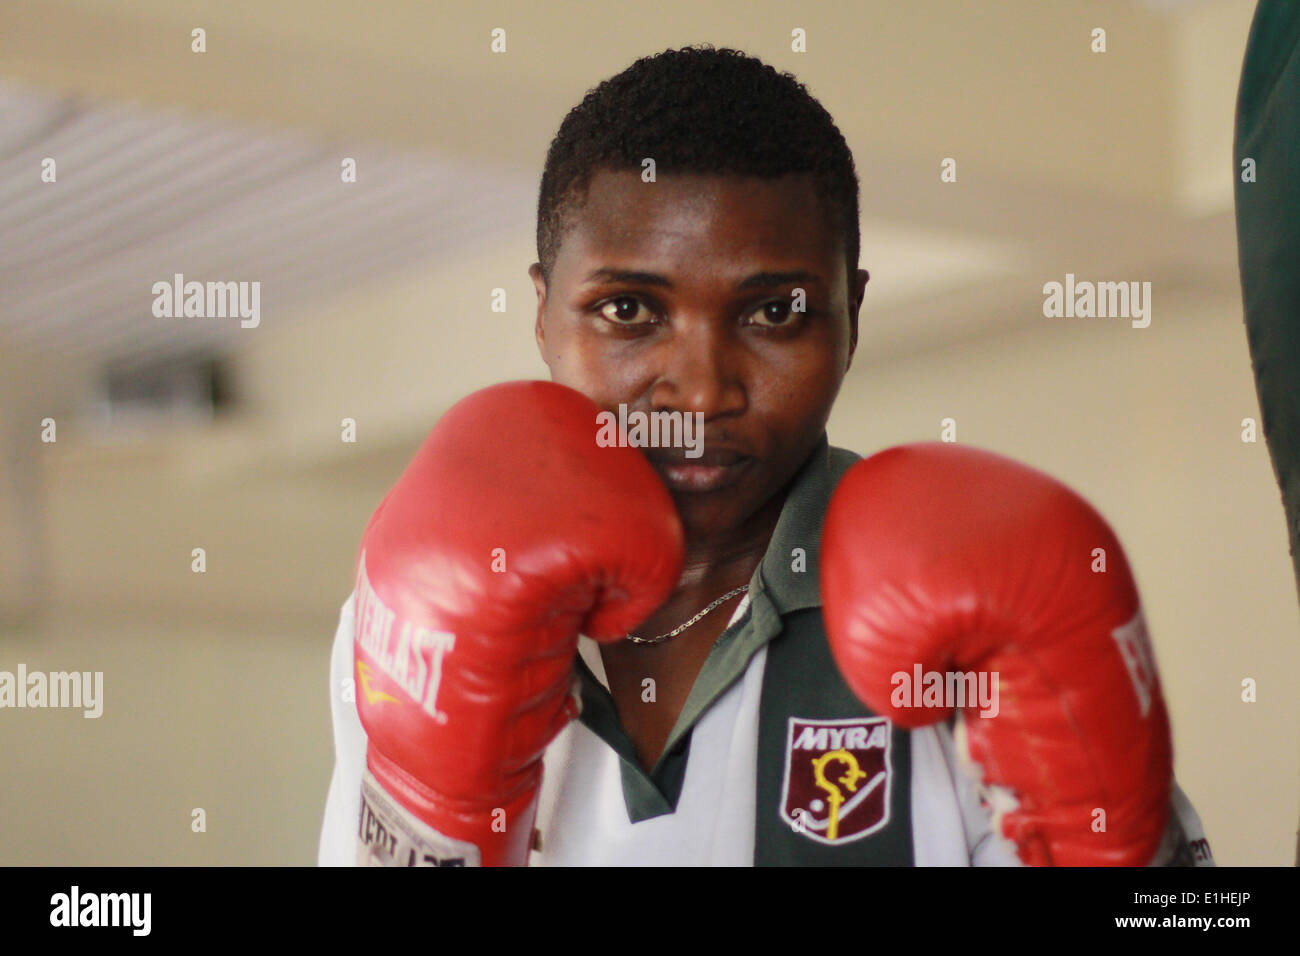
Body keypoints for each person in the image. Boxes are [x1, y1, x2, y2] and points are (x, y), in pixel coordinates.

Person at [318, 45, 1212, 866]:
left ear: (850, 317)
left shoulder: (985, 611)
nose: (702, 393)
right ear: (546, 315)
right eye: (630, 310)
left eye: (774, 312)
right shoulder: (411, 606)